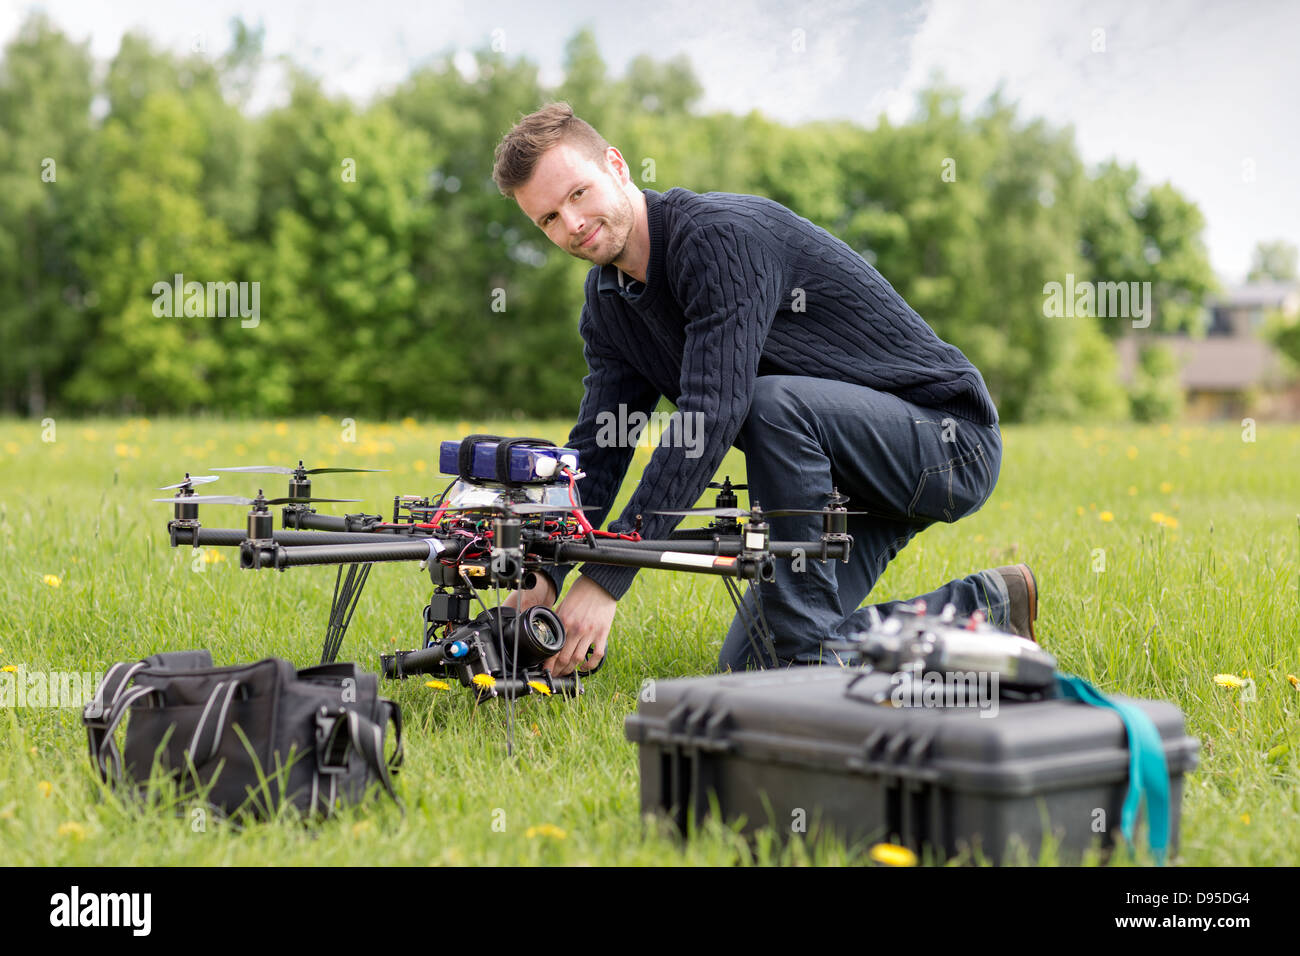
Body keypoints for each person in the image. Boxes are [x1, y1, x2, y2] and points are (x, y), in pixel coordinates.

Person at [492, 102, 1037, 677]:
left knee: (767, 403)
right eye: (548, 219)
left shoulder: (718, 240)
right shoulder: (609, 303)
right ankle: (990, 609)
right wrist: (544, 572)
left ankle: (813, 642)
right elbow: (601, 448)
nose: (571, 224)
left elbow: (712, 415)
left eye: (578, 194)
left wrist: (606, 577)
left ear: (617, 166)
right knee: (768, 666)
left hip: (945, 441)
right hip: (835, 479)